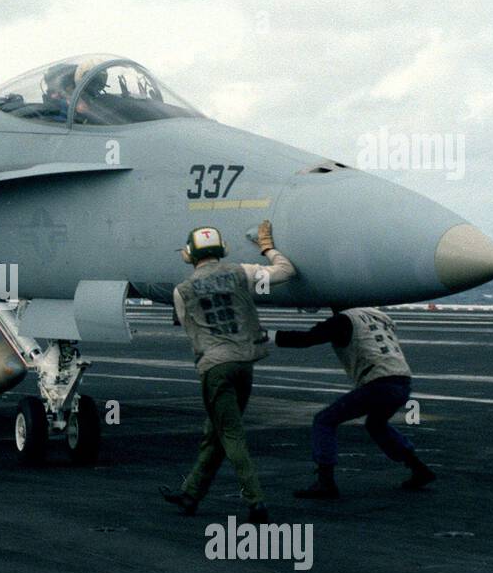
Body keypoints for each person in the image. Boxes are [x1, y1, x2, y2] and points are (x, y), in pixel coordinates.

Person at [159, 221, 295, 523]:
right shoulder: (239, 272)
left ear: (190, 255)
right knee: (216, 433)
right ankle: (190, 494)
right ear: (222, 250)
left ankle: (256, 502)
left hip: (214, 367)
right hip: (244, 364)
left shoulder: (182, 291)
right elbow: (286, 272)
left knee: (230, 435)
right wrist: (268, 248)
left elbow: (186, 326)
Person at [274, 307, 435, 498]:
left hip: (379, 383)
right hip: (402, 381)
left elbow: (307, 339)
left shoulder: (344, 320)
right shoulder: (380, 317)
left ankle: (325, 481)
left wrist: (269, 336)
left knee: (324, 421)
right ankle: (418, 468)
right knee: (376, 425)